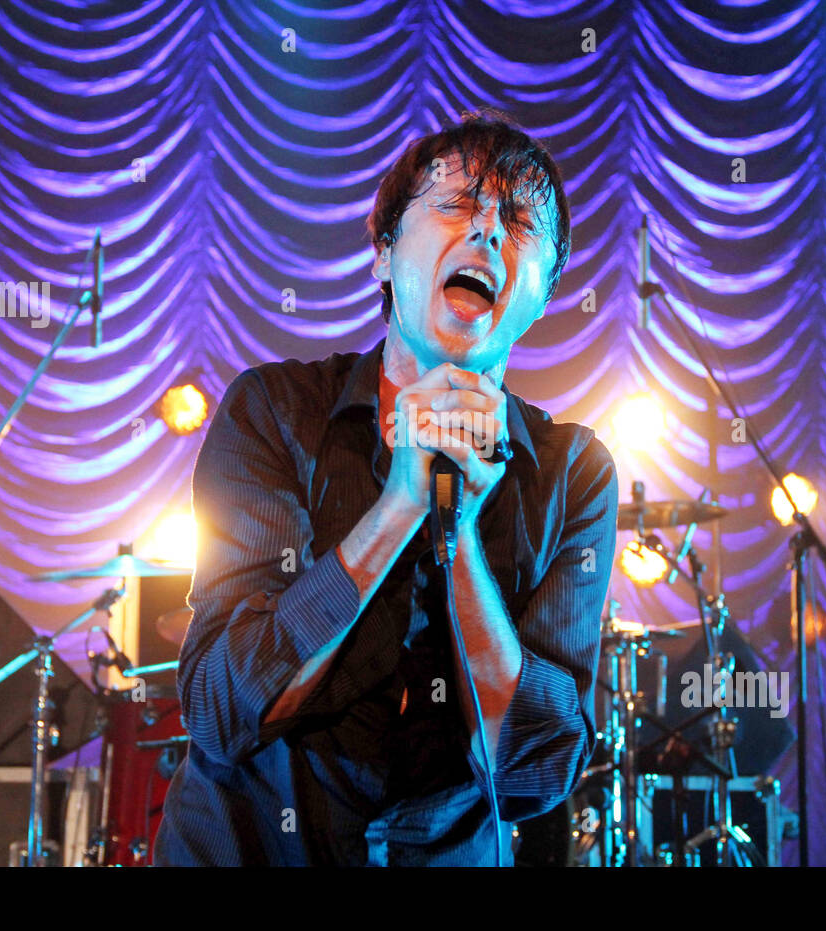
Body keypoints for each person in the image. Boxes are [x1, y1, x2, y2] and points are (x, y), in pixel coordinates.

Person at [155, 111, 618, 866]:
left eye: (520, 222)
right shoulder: (273, 413)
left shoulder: (575, 473)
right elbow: (222, 708)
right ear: (381, 255)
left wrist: (457, 530)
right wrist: (401, 504)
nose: (488, 234)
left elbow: (534, 769)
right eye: (456, 204)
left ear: (541, 295)